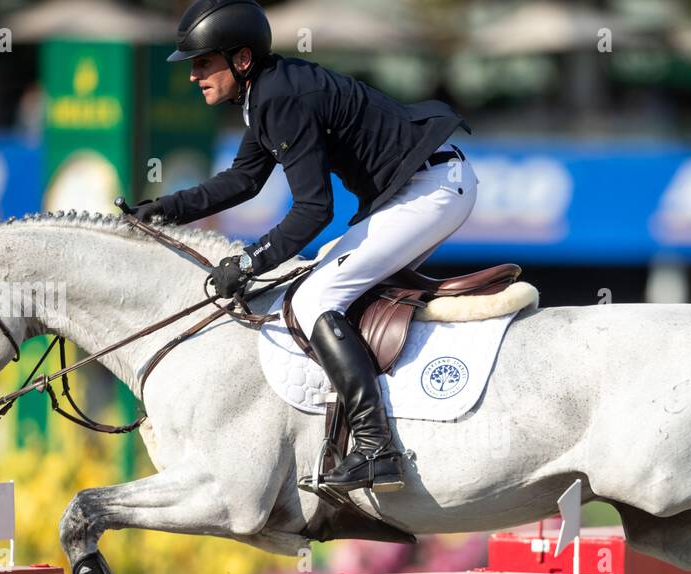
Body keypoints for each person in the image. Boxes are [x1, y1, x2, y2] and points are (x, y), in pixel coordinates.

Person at [132, 0, 477, 494]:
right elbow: (245, 180)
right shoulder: (266, 93)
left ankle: (377, 449)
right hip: (419, 187)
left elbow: (314, 210)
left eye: (203, 63)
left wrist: (251, 260)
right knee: (317, 285)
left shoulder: (278, 97)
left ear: (242, 60)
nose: (194, 76)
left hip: (431, 189)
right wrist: (167, 208)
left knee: (316, 298)